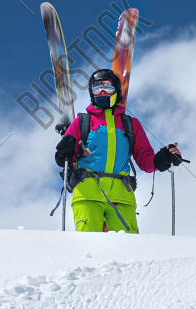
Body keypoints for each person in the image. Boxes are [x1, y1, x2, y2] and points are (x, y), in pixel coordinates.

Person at [53, 69, 183, 233]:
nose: (101, 92)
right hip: (87, 193)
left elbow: (146, 162)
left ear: (116, 90)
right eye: (97, 88)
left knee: (128, 249)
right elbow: (64, 159)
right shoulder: (83, 121)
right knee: (89, 243)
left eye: (106, 87)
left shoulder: (130, 124)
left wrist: (165, 158)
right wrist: (63, 154)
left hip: (121, 196)